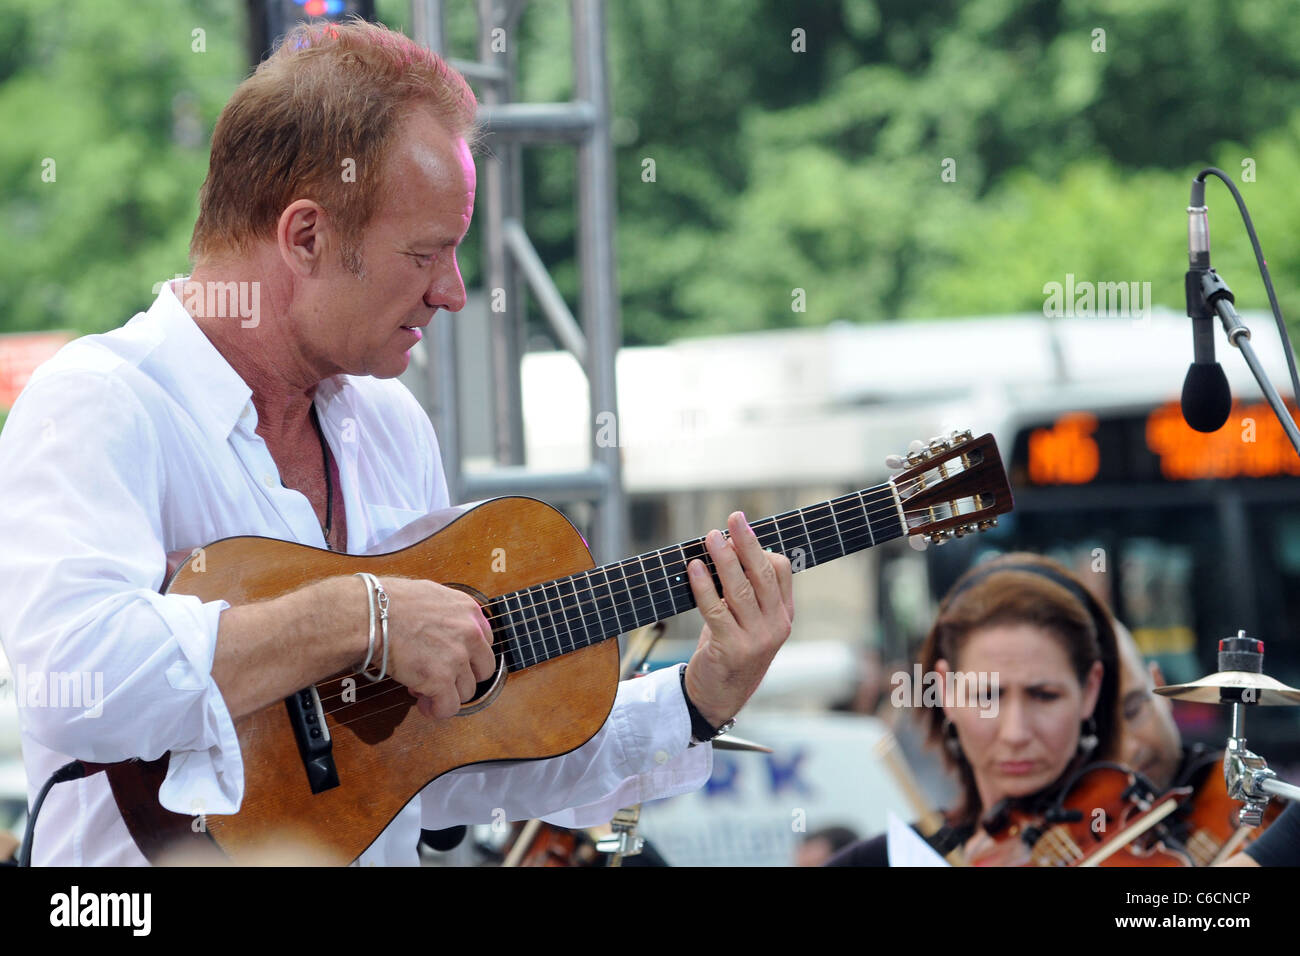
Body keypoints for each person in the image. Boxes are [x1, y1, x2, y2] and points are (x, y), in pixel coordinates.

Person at [0, 20, 793, 865]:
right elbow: (72, 684)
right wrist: (360, 615)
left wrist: (699, 700)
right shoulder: (100, 403)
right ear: (304, 236)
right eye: (426, 253)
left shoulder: (388, 423)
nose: (452, 292)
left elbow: (441, 761)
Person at [827, 552, 1120, 866]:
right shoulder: (875, 861)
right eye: (987, 696)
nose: (1016, 733)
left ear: (1090, 690)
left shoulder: (1142, 845)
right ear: (946, 690)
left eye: (1044, 695)